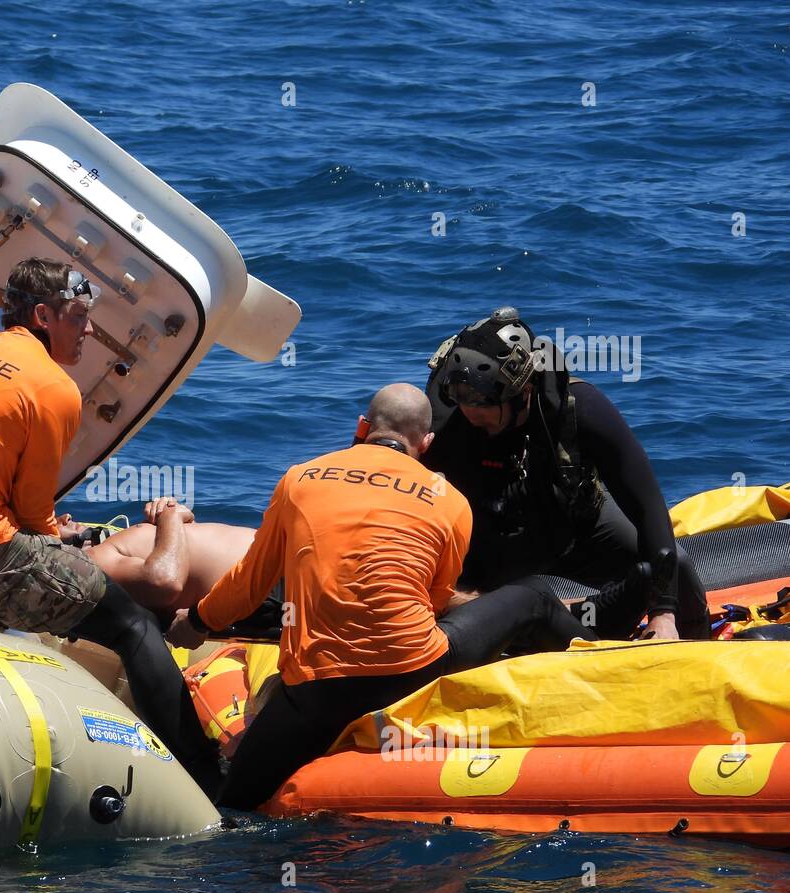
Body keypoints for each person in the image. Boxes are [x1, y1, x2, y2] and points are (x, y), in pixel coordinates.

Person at [0, 257, 220, 792]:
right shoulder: (54, 388)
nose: (88, 332)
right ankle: (203, 776)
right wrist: (69, 542)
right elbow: (34, 524)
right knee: (133, 625)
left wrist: (53, 532)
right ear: (42, 315)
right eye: (78, 317)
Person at [167, 384, 595, 810]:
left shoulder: (300, 479)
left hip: (316, 695)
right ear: (425, 443)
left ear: (362, 427)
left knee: (230, 805)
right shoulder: (451, 502)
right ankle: (606, 664)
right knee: (533, 598)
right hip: (409, 673)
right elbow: (434, 602)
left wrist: (197, 623)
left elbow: (247, 584)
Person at [421, 307, 708, 640]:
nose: (473, 418)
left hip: (573, 526)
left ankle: (692, 647)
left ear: (523, 392)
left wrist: (664, 614)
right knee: (488, 606)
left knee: (678, 569)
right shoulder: (445, 423)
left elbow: (647, 507)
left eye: (485, 413)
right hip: (489, 545)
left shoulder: (579, 407)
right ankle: (558, 623)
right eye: (464, 406)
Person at [56, 499, 258, 620]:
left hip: (270, 562)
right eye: (50, 520)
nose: (65, 516)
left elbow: (193, 557)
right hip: (265, 582)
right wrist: (171, 517)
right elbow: (165, 581)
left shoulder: (104, 550)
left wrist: (172, 518)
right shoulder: (93, 559)